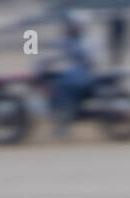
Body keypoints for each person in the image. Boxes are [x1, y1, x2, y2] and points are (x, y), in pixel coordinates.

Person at [43, 9, 100, 137]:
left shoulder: (86, 41)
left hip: (83, 75)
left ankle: (64, 122)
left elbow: (88, 59)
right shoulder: (73, 39)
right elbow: (55, 51)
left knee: (61, 88)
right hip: (79, 73)